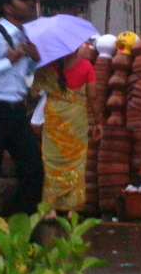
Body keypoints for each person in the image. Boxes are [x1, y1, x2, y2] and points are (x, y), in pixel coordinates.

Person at [0, 0, 44, 255]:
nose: (29, 4)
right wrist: (8, 60)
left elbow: (24, 76)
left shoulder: (25, 36)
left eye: (30, 0)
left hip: (16, 112)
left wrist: (34, 60)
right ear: (7, 7)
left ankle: (14, 232)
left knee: (33, 172)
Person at [33, 49, 104, 222]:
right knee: (76, 161)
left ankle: (50, 209)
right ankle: (72, 211)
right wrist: (98, 122)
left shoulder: (47, 67)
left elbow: (34, 93)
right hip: (76, 120)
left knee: (52, 162)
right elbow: (93, 96)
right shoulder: (86, 66)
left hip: (54, 119)